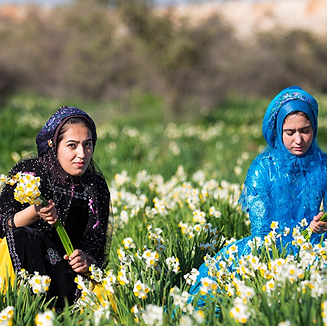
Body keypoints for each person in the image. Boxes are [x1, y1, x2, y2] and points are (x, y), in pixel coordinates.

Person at [188, 86, 327, 306]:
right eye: (290, 133)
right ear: (279, 132)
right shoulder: (262, 170)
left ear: (314, 128)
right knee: (215, 283)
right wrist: (304, 233)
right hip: (271, 247)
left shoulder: (324, 165)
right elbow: (262, 232)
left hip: (317, 244)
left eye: (306, 130)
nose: (299, 139)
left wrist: (322, 224)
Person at [0, 106, 112, 309]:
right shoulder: (29, 174)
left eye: (88, 145)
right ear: (54, 146)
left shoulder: (95, 187)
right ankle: (22, 308)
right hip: (21, 262)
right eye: (72, 145)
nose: (82, 154)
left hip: (65, 272)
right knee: (25, 236)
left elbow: (96, 247)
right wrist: (35, 212)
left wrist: (86, 259)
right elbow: (2, 225)